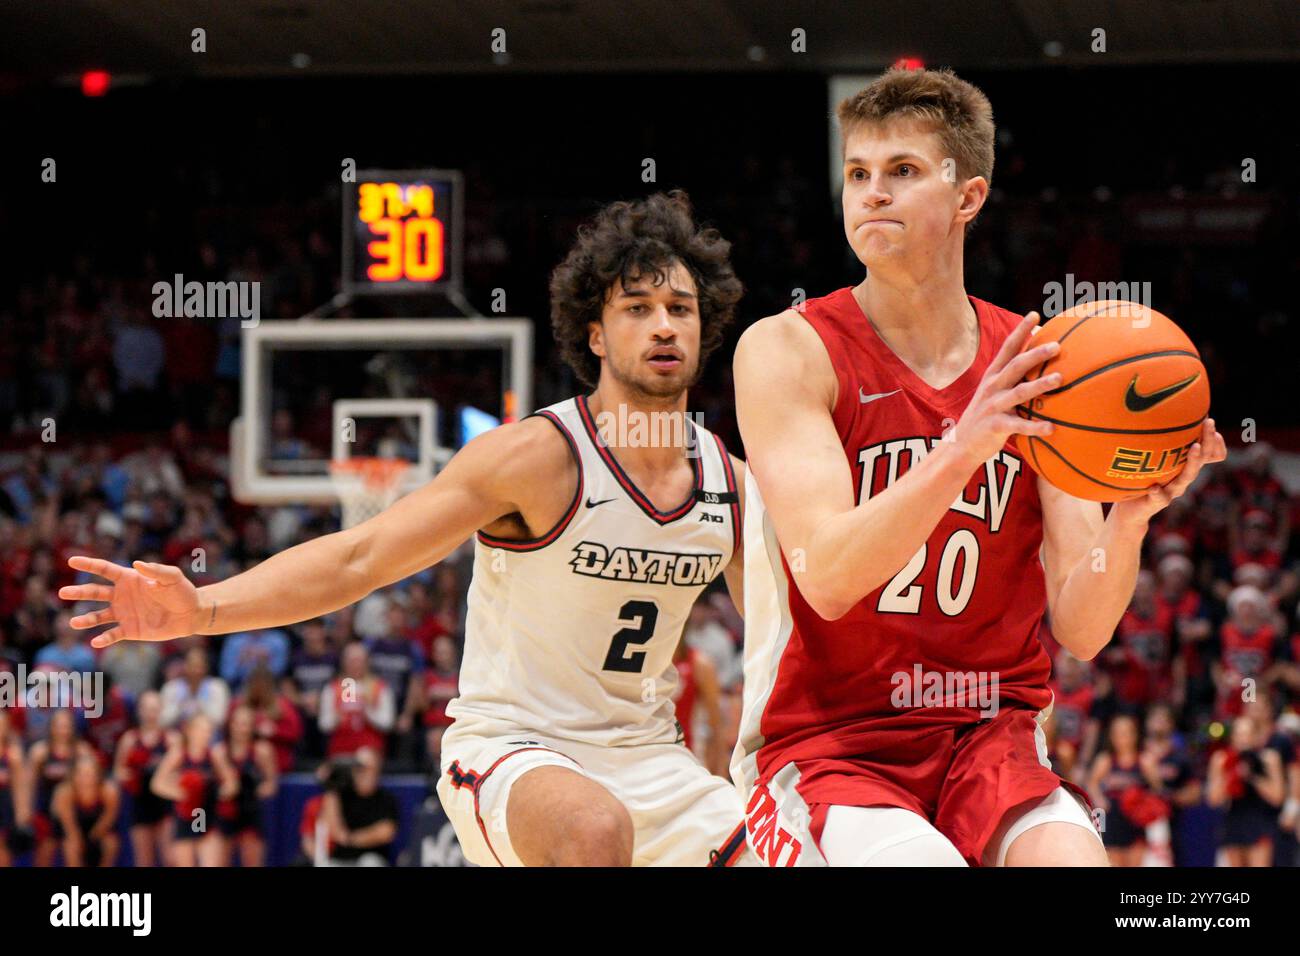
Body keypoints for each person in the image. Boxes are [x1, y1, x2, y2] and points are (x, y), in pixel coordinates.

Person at [60, 191, 751, 867]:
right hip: (518, 751)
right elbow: (361, 557)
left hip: (656, 759)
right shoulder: (536, 459)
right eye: (637, 308)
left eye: (679, 308)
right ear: (595, 333)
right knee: (595, 831)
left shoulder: (731, 483)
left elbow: (792, 642)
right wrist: (206, 609)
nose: (663, 325)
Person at [730, 66, 1227, 867]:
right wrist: (965, 443)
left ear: (968, 197)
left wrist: (1131, 514)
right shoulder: (787, 348)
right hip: (833, 748)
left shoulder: (1038, 365)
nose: (872, 194)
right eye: (858, 174)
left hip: (988, 739)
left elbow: (1084, 628)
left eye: (902, 172)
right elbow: (825, 574)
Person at [151, 713, 237, 867]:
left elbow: (232, 784)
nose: (205, 735)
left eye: (209, 731)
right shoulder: (178, 754)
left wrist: (215, 793)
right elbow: (157, 783)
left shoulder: (214, 755)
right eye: (201, 730)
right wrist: (182, 794)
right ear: (190, 731)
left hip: (206, 814)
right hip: (185, 816)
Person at [1207, 713, 1286, 866]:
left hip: (1260, 821)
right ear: (1232, 737)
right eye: (1239, 734)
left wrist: (1252, 776)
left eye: (1248, 734)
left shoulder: (1269, 758)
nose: (1243, 739)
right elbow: (1213, 800)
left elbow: (1277, 797)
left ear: (1256, 736)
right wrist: (1231, 775)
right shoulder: (1222, 759)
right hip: (1233, 820)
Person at [112, 690, 179, 867]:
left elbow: (181, 771)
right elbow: (118, 771)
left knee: (170, 858)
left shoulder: (171, 739)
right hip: (140, 802)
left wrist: (162, 775)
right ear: (139, 711)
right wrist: (133, 774)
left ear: (161, 710)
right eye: (147, 709)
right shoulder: (130, 739)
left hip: (165, 804)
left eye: (155, 709)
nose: (151, 714)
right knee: (144, 861)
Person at [1086, 714, 1163, 867]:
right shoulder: (1106, 760)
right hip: (1112, 818)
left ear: (1135, 734)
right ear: (1111, 737)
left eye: (1126, 732)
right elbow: (1091, 784)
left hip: (1136, 819)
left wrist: (1153, 771)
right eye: (1118, 733)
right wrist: (1099, 799)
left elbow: (1157, 789)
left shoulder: (1144, 760)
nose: (1122, 738)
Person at [27, 708, 96, 867]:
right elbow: (29, 785)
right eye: (59, 725)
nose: (63, 730)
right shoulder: (40, 752)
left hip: (74, 812)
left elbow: (95, 780)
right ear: (51, 727)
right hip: (47, 811)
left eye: (66, 725)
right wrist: (28, 813)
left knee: (74, 854)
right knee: (44, 855)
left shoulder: (82, 750)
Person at [218, 705, 278, 866]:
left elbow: (272, 783)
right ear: (230, 725)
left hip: (251, 810)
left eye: (245, 724)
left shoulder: (262, 750)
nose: (240, 729)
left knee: (252, 860)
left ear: (252, 727)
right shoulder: (219, 752)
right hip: (226, 811)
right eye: (237, 723)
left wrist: (260, 790)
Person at [321, 748, 399, 866]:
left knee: (370, 863)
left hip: (372, 857)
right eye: (358, 769)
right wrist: (331, 784)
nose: (363, 773)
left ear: (377, 771)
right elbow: (333, 829)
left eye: (368, 769)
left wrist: (351, 839)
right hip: (341, 858)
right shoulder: (341, 794)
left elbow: (386, 832)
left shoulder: (386, 798)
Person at [51, 754, 120, 867]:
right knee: (70, 845)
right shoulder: (64, 792)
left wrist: (92, 840)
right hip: (75, 827)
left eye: (89, 773)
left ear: (98, 775)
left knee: (111, 843)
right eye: (81, 774)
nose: (85, 777)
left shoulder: (109, 791)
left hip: (99, 829)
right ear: (74, 775)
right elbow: (69, 825)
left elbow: (108, 818)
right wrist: (78, 840)